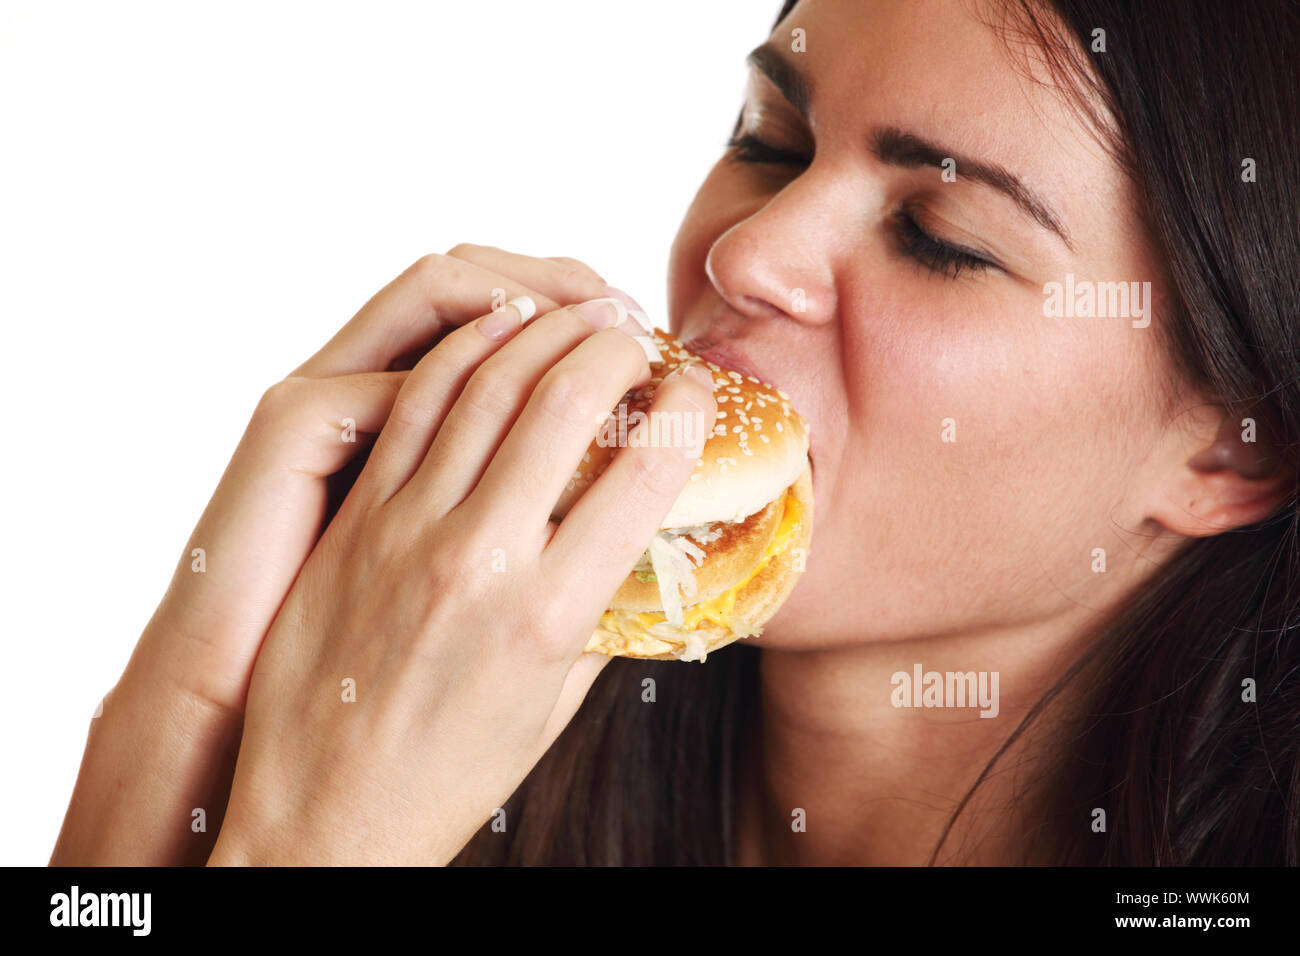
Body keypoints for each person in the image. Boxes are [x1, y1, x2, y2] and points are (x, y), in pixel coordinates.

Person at [51, 0, 1300, 866]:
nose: (743, 253)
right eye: (770, 144)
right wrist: (187, 716)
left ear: (1227, 450)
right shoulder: (414, 712)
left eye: (940, 239)